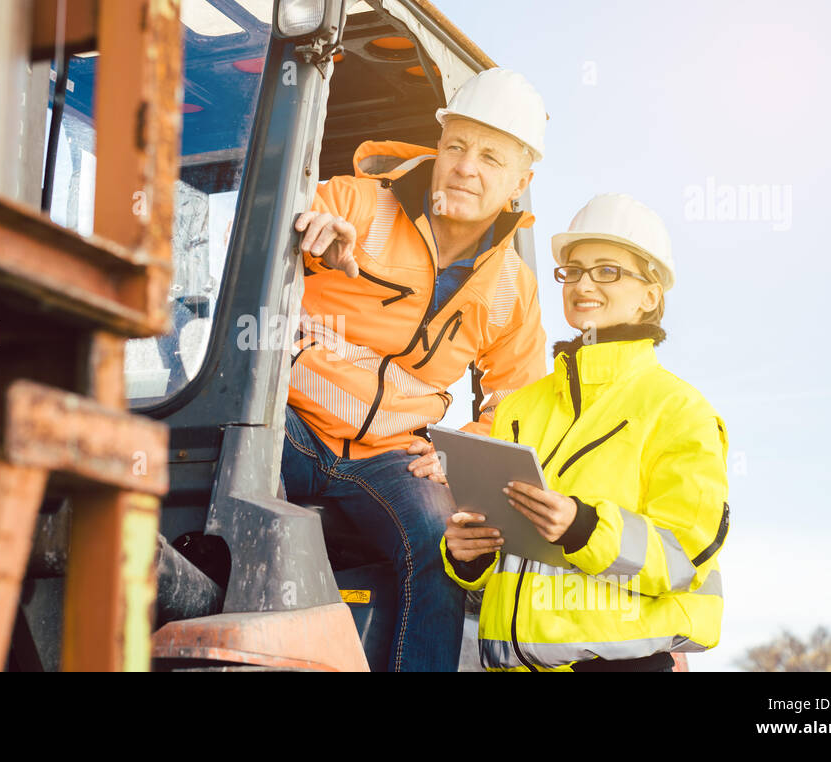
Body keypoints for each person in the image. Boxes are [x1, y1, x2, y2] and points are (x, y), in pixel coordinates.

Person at [282, 68, 549, 671]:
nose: (465, 166)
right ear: (439, 143)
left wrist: (466, 452)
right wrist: (310, 246)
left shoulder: (515, 288)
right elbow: (269, 240)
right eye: (456, 145)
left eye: (490, 156)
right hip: (289, 425)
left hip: (392, 455)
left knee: (442, 544)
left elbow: (520, 400)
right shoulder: (354, 202)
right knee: (215, 478)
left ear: (521, 179)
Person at [441, 193, 730, 672]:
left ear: (651, 295)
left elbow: (685, 557)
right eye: (573, 270)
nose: (583, 284)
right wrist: (469, 557)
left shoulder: (679, 411)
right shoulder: (519, 407)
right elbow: (510, 564)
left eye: (607, 271)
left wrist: (585, 528)